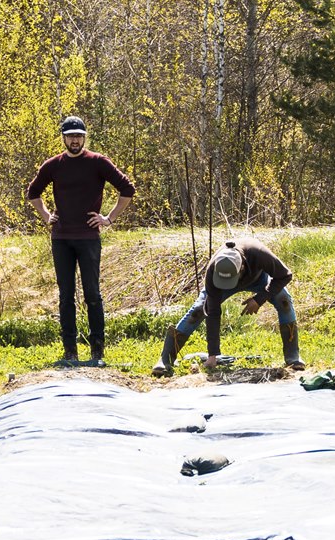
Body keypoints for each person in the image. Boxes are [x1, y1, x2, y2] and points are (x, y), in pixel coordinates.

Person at [25, 115, 135, 367]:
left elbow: (127, 189)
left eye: (79, 135)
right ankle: (70, 352)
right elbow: (33, 193)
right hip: (61, 238)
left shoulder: (98, 162)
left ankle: (97, 351)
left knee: (92, 295)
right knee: (66, 296)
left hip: (88, 239)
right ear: (63, 137)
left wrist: (108, 218)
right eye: (70, 135)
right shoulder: (53, 165)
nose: (75, 139)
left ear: (85, 137)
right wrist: (45, 216)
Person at [154, 238, 303, 375]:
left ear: (242, 267)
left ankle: (293, 356)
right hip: (220, 285)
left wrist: (259, 299)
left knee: (284, 301)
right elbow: (213, 312)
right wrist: (213, 355)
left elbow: (285, 275)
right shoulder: (213, 269)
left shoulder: (258, 253)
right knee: (198, 311)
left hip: (259, 280)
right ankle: (165, 359)